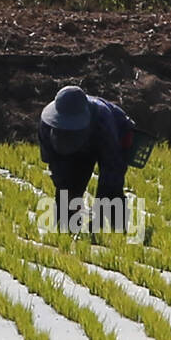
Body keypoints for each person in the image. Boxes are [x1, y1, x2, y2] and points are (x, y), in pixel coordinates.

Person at [38, 85, 136, 233]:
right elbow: (54, 164)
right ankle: (67, 229)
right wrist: (69, 193)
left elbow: (112, 169)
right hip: (82, 144)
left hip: (116, 135)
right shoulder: (46, 125)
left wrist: (100, 213)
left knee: (111, 194)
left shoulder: (103, 120)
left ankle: (116, 230)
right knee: (66, 191)